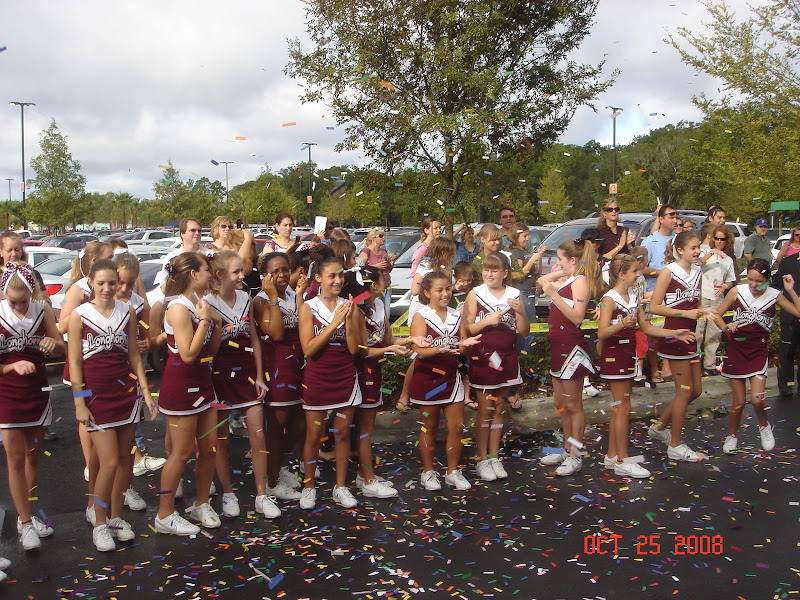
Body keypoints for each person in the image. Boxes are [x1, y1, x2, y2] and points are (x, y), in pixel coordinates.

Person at [68, 259, 156, 551]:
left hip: (126, 397)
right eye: (101, 283)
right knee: (108, 463)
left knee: (124, 462)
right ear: (90, 282)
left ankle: (117, 517)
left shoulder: (127, 311)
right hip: (96, 398)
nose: (107, 288)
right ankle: (100, 522)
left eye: (112, 283)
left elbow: (133, 355)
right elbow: (75, 363)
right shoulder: (79, 316)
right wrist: (80, 403)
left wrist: (145, 392)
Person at [598, 255, 695, 478]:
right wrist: (622, 324)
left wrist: (673, 333)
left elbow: (648, 327)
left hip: (628, 355)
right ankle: (623, 459)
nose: (638, 274)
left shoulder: (633, 296)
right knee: (622, 408)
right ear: (622, 274)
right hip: (614, 357)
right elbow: (601, 332)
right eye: (634, 271)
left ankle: (613, 455)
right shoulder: (609, 299)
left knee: (619, 407)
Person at [205, 251, 279, 519]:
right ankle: (228, 493)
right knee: (221, 439)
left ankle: (262, 495)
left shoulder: (246, 298)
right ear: (220, 275)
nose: (242, 276)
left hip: (247, 375)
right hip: (219, 377)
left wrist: (260, 375)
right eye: (236, 272)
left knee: (258, 436)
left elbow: (254, 340)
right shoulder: (207, 303)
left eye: (242, 271)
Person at [154, 253, 222, 536]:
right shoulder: (179, 309)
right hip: (181, 386)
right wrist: (206, 321)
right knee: (181, 452)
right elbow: (188, 353)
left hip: (204, 384)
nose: (211, 275)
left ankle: (201, 502)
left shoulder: (199, 303)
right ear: (193, 274)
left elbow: (211, 350)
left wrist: (215, 324)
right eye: (207, 270)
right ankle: (164, 513)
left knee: (209, 448)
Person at [0, 263, 65, 551]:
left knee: (32, 457)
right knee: (14, 459)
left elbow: (61, 346)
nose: (18, 305)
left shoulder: (43, 310)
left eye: (23, 300)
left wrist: (53, 343)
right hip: (7, 395)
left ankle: (27, 513)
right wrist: (11, 367)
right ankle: (25, 522)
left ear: (32, 293)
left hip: (38, 392)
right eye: (13, 301)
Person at [344, 265, 421, 498]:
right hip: (362, 372)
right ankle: (367, 480)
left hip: (374, 371)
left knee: (368, 426)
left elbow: (386, 337)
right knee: (365, 428)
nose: (387, 280)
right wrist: (391, 349)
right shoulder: (356, 311)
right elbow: (362, 351)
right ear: (374, 285)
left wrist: (409, 340)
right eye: (382, 279)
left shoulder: (378, 305)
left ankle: (363, 474)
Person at [711, 259, 800, 453]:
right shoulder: (737, 291)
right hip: (736, 350)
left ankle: (764, 426)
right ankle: (732, 435)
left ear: (768, 279)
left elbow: (798, 312)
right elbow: (718, 315)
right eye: (750, 279)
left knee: (758, 399)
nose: (753, 284)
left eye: (758, 281)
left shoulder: (775, 295)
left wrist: (791, 290)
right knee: (739, 401)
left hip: (758, 351)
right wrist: (726, 326)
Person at [298, 256, 363, 509]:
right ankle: (308, 486)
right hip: (317, 377)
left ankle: (341, 486)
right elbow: (308, 349)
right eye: (331, 276)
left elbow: (353, 349)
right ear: (319, 278)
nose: (337, 280)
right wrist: (334, 322)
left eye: (340, 275)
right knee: (314, 435)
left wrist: (347, 321)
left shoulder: (350, 305)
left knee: (343, 433)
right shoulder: (308, 307)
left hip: (345, 375)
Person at [410, 271, 481, 491]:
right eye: (439, 290)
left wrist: (466, 345)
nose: (445, 294)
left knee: (457, 426)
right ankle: (429, 472)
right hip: (428, 378)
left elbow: (459, 346)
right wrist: (442, 348)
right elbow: (418, 350)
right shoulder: (421, 316)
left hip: (451, 377)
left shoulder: (456, 315)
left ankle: (452, 471)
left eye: (448, 289)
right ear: (427, 292)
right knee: (428, 427)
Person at [463, 252, 528, 482]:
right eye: (487, 270)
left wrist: (520, 311)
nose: (489, 274)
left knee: (499, 406)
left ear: (505, 273)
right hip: (483, 357)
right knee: (485, 408)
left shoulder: (514, 294)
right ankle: (481, 459)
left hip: (507, 356)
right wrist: (487, 322)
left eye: (494, 270)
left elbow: (525, 330)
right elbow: (467, 329)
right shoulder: (476, 294)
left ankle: (493, 455)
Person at [537, 238, 598, 476]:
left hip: (572, 346)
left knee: (573, 405)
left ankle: (576, 453)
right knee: (561, 404)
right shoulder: (569, 278)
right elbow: (541, 280)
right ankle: (566, 446)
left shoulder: (580, 282)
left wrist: (554, 294)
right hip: (558, 346)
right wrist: (557, 276)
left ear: (573, 260)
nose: (557, 264)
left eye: (561, 259)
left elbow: (577, 317)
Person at [646, 231, 708, 461]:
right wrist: (686, 312)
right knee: (683, 392)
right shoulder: (668, 272)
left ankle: (660, 426)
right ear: (679, 250)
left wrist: (704, 311)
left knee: (695, 391)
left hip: (691, 335)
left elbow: (696, 303)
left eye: (698, 247)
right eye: (693, 247)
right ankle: (675, 444)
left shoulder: (699, 272)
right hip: (674, 334)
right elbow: (654, 307)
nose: (697, 251)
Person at [58, 240, 115, 481]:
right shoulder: (79, 290)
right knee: (87, 417)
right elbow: (62, 324)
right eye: (110, 256)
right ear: (94, 263)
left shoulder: (111, 289)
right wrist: (85, 317)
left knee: (109, 421)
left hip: (105, 366)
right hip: (82, 361)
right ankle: (90, 465)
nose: (115, 260)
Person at [113, 252, 164, 511]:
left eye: (130, 283)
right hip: (104, 379)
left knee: (127, 438)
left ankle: (127, 488)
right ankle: (98, 503)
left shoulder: (137, 303)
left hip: (131, 374)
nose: (123, 289)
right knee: (106, 449)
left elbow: (146, 336)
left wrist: (146, 343)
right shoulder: (101, 301)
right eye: (119, 282)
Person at [255, 252, 307, 502]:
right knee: (277, 426)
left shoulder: (293, 295)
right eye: (275, 271)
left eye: (285, 269)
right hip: (277, 366)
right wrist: (274, 298)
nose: (282, 275)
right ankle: (272, 480)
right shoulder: (261, 300)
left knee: (300, 424)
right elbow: (275, 333)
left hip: (299, 365)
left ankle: (275, 466)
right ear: (264, 275)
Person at [397, 237, 457, 412]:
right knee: (418, 357)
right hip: (422, 312)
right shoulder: (425, 267)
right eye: (450, 253)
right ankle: (405, 395)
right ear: (442, 253)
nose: (452, 257)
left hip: (439, 312)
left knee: (434, 352)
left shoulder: (443, 268)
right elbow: (415, 290)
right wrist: (429, 289)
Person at [641, 204, 679, 383]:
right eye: (670, 216)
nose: (674, 219)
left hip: (674, 295)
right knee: (654, 335)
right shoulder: (650, 241)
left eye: (675, 216)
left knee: (671, 332)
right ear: (661, 219)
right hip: (653, 294)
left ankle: (668, 368)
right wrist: (662, 274)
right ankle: (654, 370)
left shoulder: (679, 241)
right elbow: (641, 267)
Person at [696, 225, 736, 376]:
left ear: (727, 241)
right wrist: (712, 252)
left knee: (714, 333)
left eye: (722, 239)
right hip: (703, 296)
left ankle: (710, 364)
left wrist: (725, 285)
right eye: (717, 238)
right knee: (698, 331)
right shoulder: (705, 252)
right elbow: (697, 264)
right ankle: (695, 362)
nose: (719, 242)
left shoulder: (728, 260)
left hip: (717, 298)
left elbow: (731, 280)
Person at [507, 222, 545, 325]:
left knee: (531, 322)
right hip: (523, 293)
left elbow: (537, 272)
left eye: (528, 236)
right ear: (516, 236)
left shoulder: (525, 251)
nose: (527, 239)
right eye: (524, 236)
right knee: (529, 325)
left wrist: (539, 256)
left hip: (530, 292)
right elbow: (519, 275)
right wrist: (532, 259)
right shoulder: (516, 253)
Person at [358, 228, 395, 310]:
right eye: (381, 236)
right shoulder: (366, 251)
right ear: (373, 238)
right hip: (374, 287)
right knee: (375, 311)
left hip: (386, 286)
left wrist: (392, 261)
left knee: (386, 313)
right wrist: (375, 267)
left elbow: (388, 270)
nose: (383, 238)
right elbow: (360, 268)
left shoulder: (384, 252)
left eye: (383, 236)